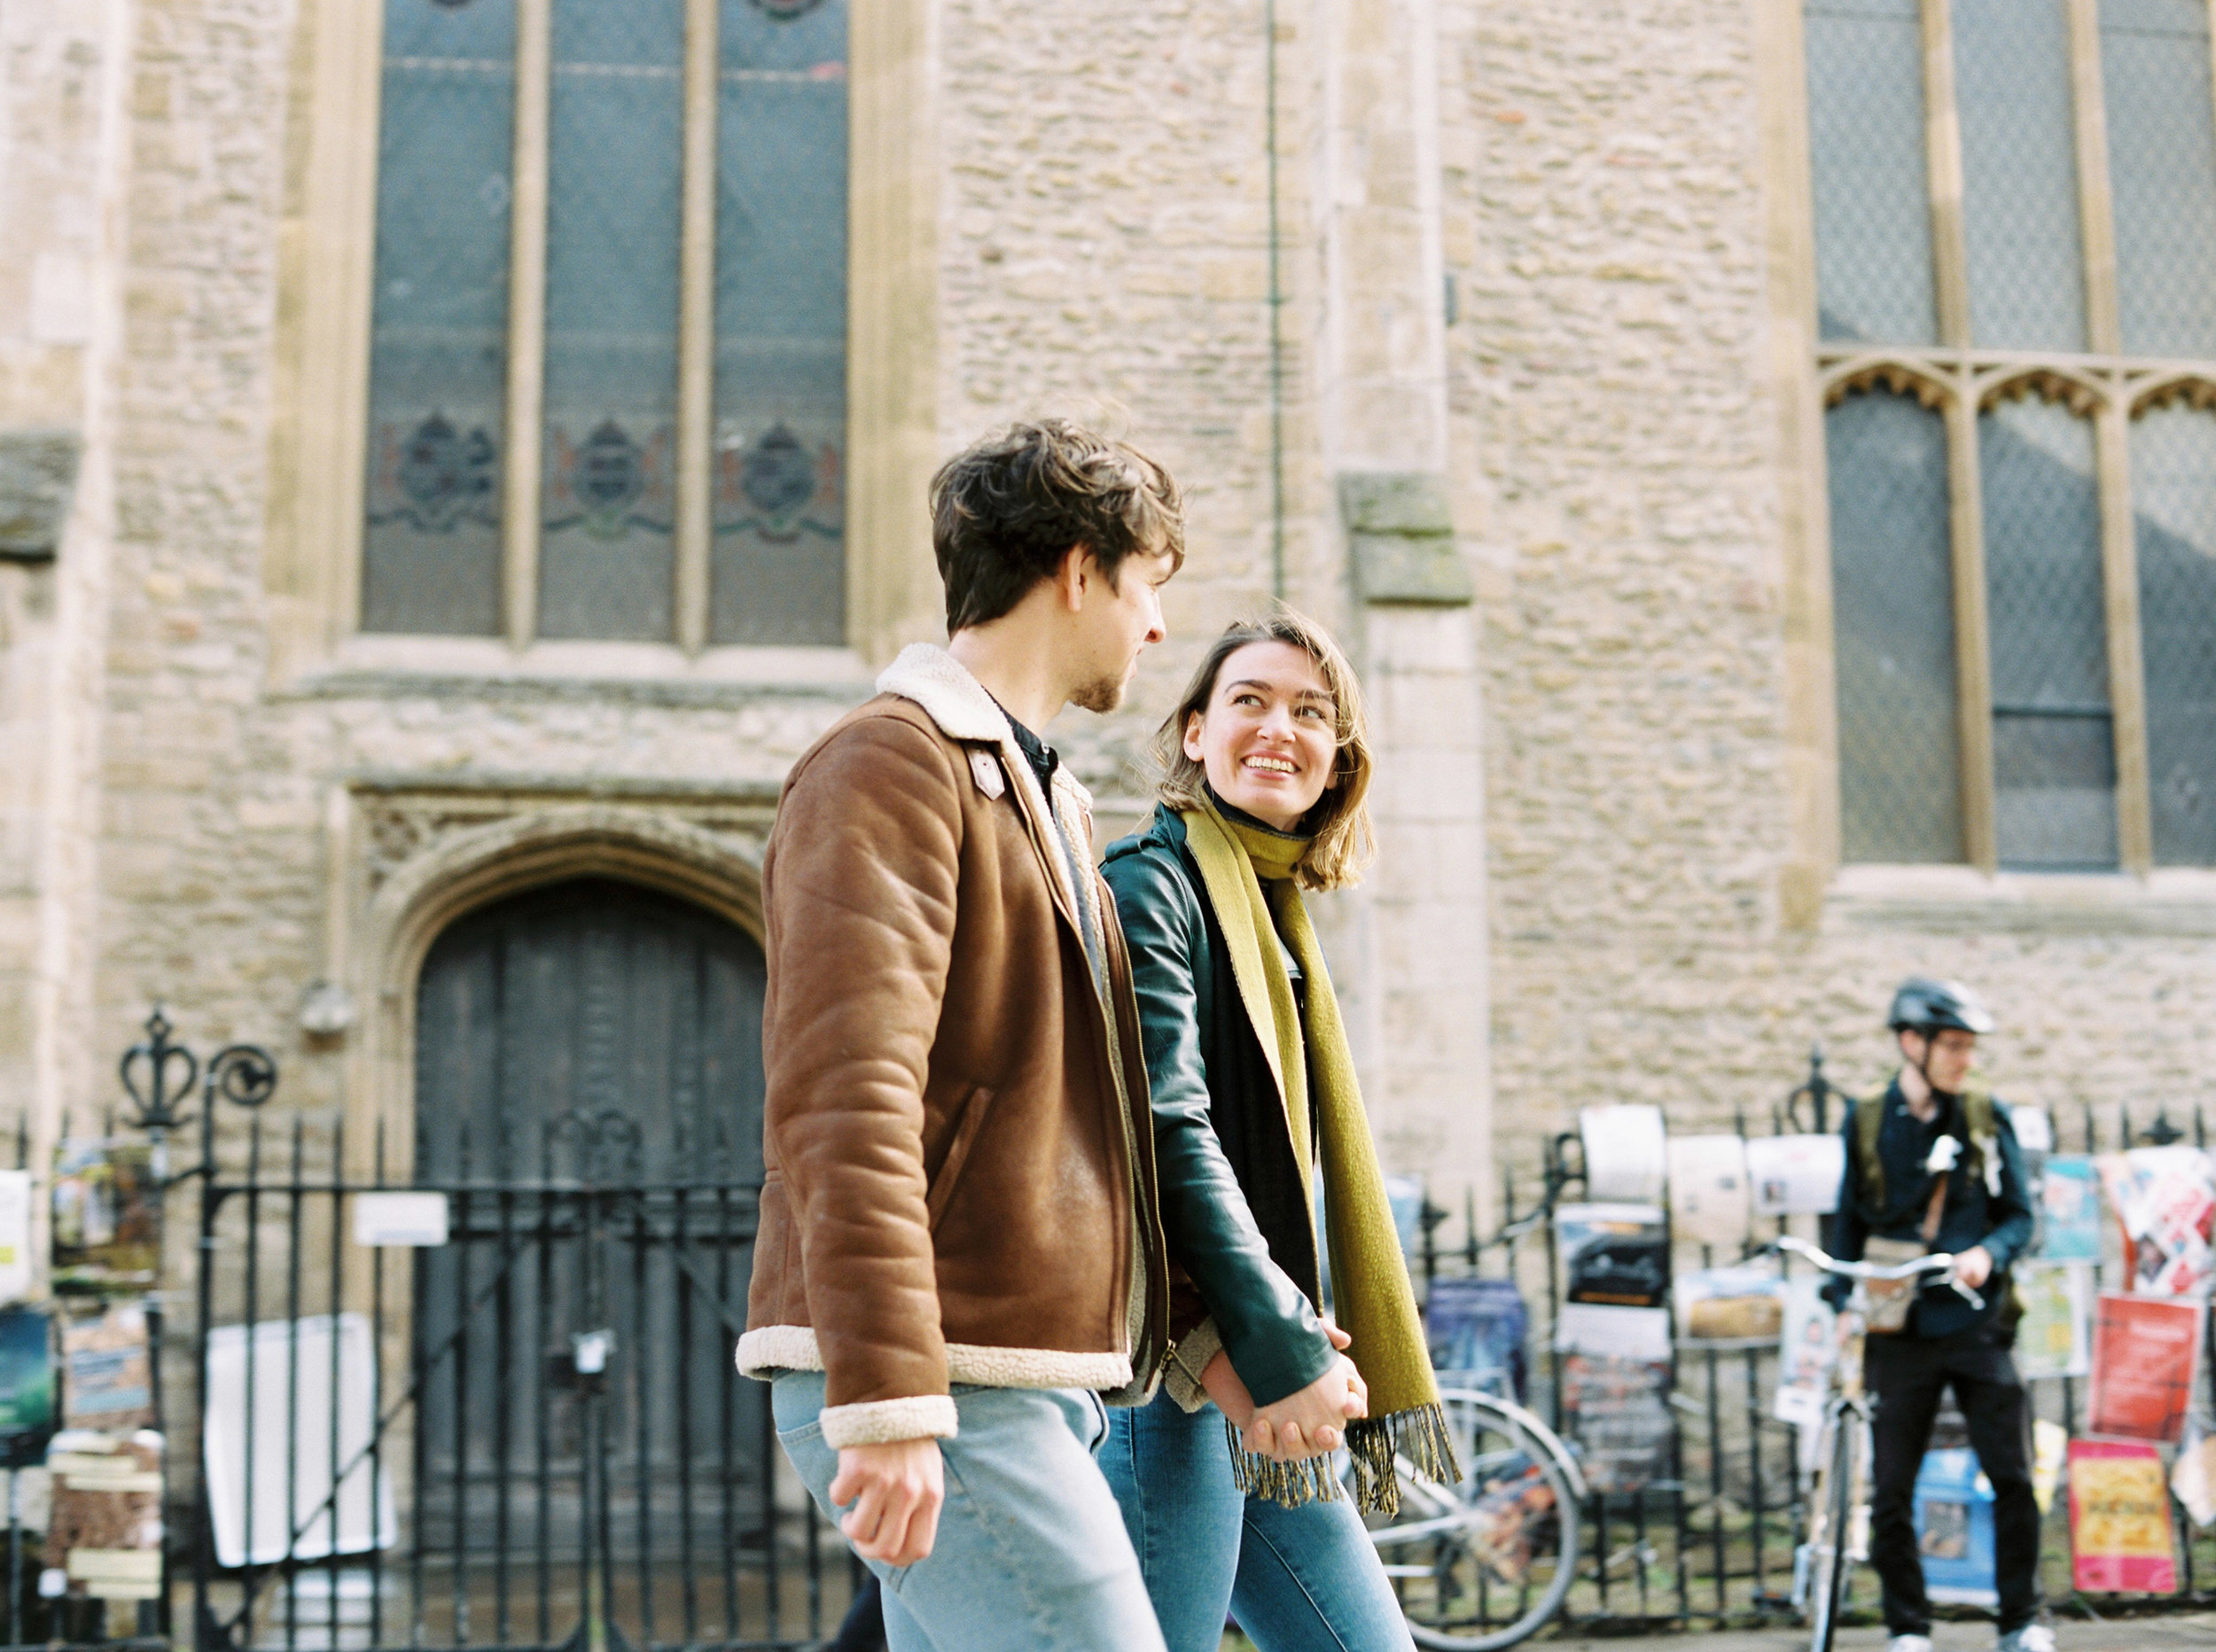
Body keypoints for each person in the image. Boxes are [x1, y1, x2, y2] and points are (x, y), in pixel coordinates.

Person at [736, 419, 1183, 1652]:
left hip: (1016, 1373)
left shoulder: (1044, 794)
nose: (1156, 628)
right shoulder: (890, 765)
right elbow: (844, 1097)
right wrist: (887, 1396)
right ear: (1081, 571)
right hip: (944, 1371)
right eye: (1149, 586)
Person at [1097, 612, 1452, 1652]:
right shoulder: (1150, 885)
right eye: (1247, 699)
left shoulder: (1278, 912)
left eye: (1310, 710)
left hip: (1261, 1362)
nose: (1276, 728)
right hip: (1178, 1372)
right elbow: (1166, 1129)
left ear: (1339, 758)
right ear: (1194, 732)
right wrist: (1282, 1341)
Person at [1823, 978, 2048, 1652]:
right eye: (1952, 1045)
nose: (1964, 1060)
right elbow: (1846, 1223)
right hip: (1899, 1330)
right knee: (1891, 1484)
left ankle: (2021, 1622)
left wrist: (1987, 1251)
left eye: (1969, 1047)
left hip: (1977, 1325)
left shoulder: (1984, 1113)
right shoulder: (1866, 1120)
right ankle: (1908, 1627)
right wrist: (1840, 1302)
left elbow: (2022, 1219)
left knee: (2011, 1476)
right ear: (1911, 1042)